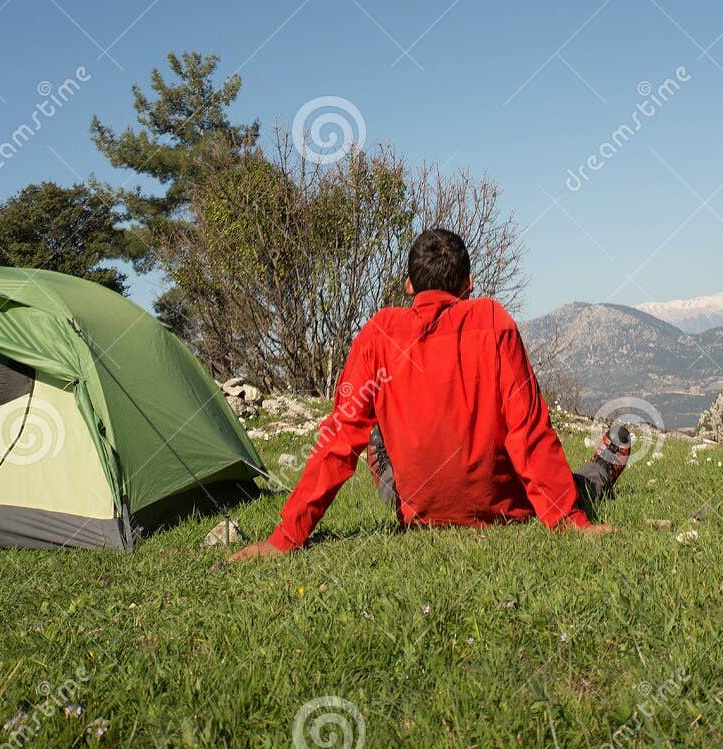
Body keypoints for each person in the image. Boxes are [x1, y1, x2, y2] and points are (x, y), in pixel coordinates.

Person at [231, 227, 629, 560]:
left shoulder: (379, 332)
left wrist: (284, 538)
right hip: (503, 506)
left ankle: (385, 459)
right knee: (579, 486)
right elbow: (528, 430)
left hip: (421, 511)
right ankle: (599, 472)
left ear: (408, 285)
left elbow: (337, 441)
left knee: (394, 482)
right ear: (468, 284)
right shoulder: (492, 320)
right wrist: (568, 520)